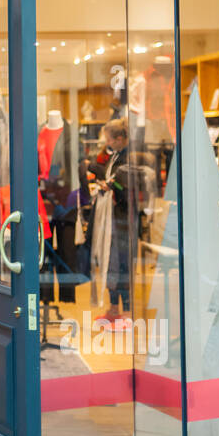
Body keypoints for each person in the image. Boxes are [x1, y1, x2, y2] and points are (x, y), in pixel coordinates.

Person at [88, 118, 133, 318]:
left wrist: (112, 186)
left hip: (122, 219)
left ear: (120, 138)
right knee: (111, 262)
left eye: (109, 139)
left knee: (120, 263)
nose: (107, 143)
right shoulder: (116, 157)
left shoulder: (128, 159)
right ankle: (114, 308)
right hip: (113, 218)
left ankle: (126, 310)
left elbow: (125, 187)